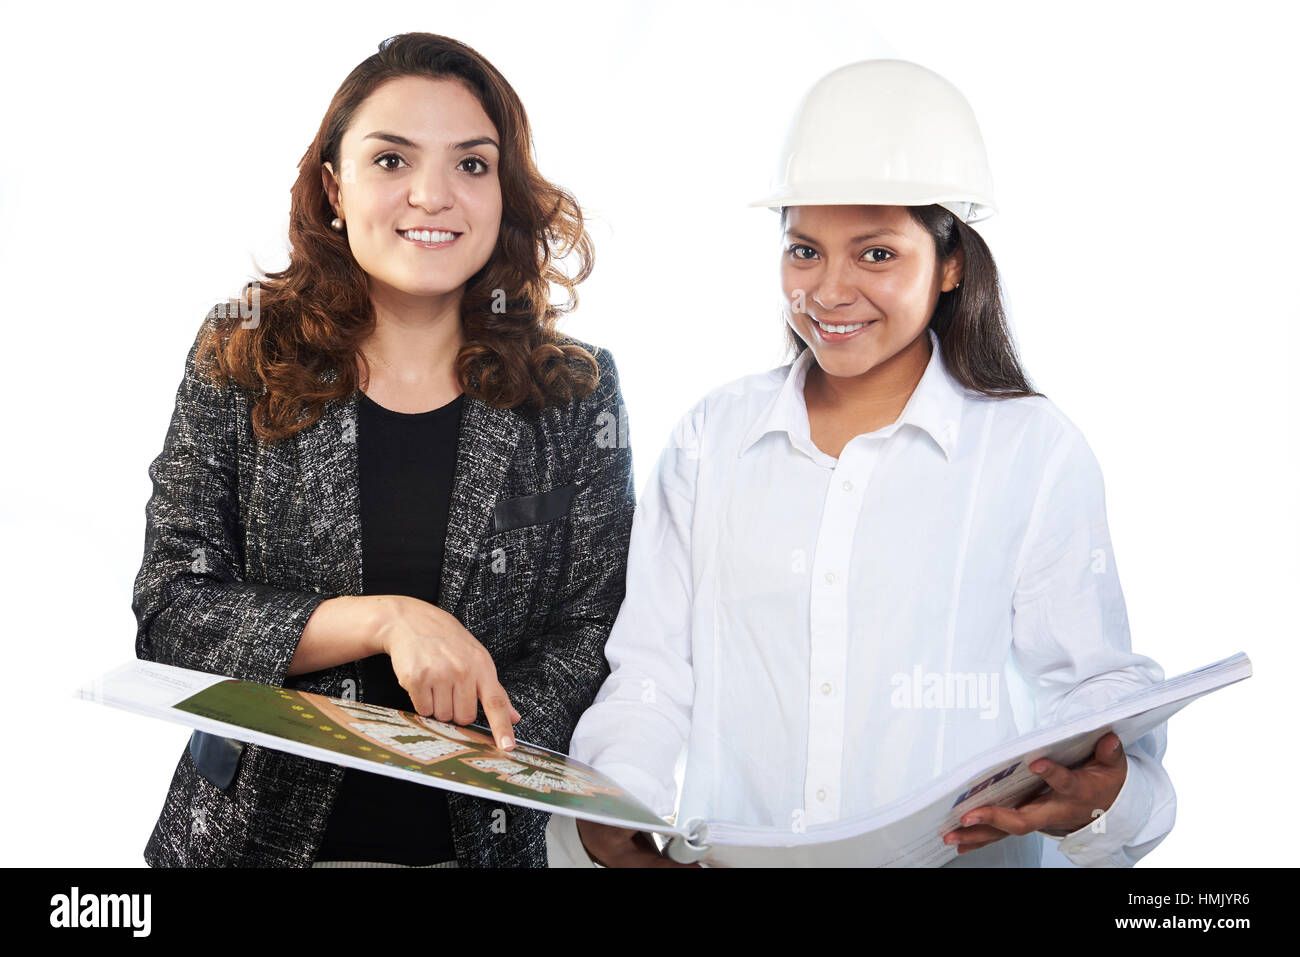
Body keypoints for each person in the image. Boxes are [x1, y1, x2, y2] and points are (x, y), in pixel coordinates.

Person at [547, 59, 1175, 868]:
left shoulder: (1030, 450)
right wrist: (610, 808)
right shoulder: (713, 435)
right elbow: (654, 671)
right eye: (804, 250)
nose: (829, 291)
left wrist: (1105, 790)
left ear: (950, 263)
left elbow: (1092, 688)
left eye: (876, 254)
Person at [133, 32, 634, 868]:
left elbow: (593, 628)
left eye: (472, 165)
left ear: (503, 193)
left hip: (479, 848)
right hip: (250, 846)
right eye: (392, 161)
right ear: (335, 187)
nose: (433, 196)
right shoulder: (242, 353)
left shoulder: (574, 390)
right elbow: (172, 609)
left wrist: (485, 730)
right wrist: (387, 621)